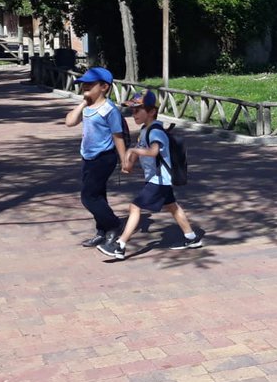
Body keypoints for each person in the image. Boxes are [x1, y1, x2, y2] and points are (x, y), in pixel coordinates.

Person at [96, 91, 200, 260]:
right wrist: (129, 163)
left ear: (151, 111)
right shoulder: (145, 130)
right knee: (172, 207)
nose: (134, 114)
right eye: (132, 110)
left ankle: (119, 246)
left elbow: (153, 151)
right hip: (158, 179)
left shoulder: (156, 131)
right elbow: (140, 150)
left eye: (138, 110)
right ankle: (191, 238)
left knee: (135, 207)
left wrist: (132, 150)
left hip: (159, 180)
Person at [64, 66, 128, 249]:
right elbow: (69, 122)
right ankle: (102, 231)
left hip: (104, 158)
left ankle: (114, 224)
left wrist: (124, 160)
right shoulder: (87, 106)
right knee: (99, 195)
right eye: (83, 84)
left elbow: (118, 136)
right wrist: (83, 103)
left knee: (89, 197)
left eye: (90, 84)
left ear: (104, 87)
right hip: (88, 157)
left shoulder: (109, 110)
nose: (85, 87)